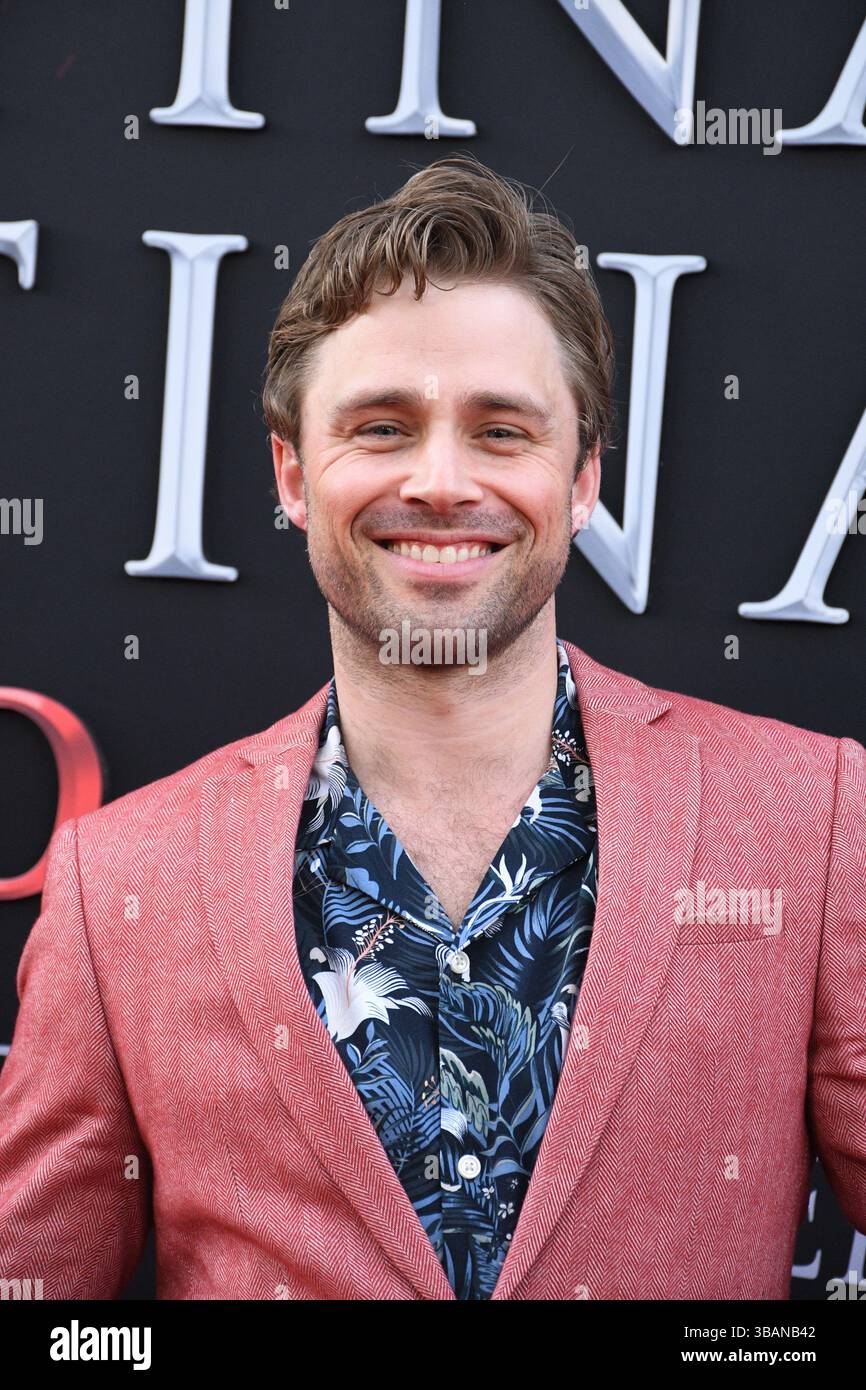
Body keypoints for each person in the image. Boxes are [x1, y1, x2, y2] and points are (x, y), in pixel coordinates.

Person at [1, 155, 864, 1301]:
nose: (442, 480)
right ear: (294, 474)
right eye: (381, 426)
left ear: (584, 475)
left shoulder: (808, 820)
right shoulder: (120, 884)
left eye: (501, 430)